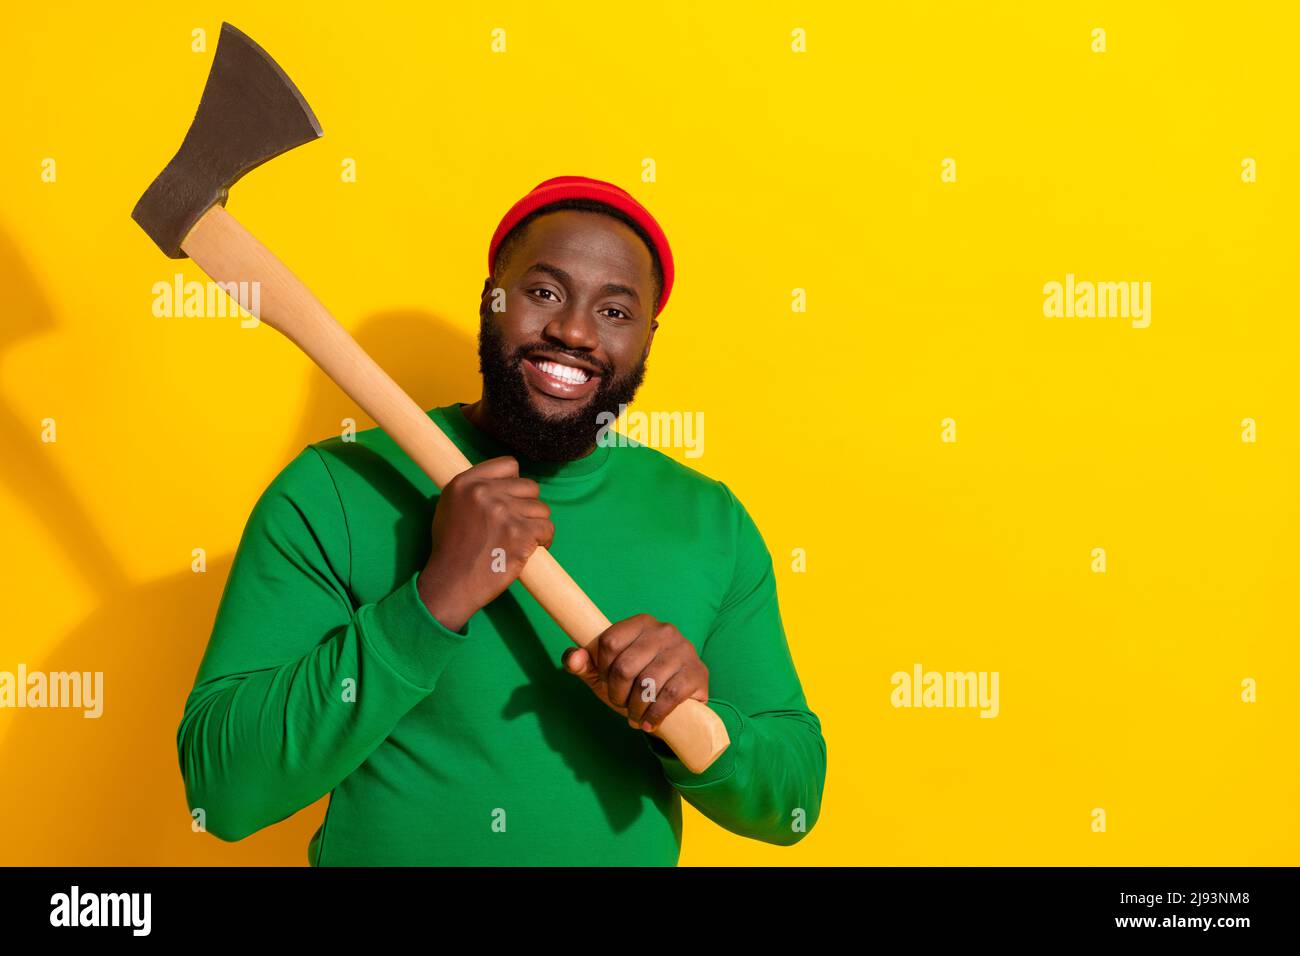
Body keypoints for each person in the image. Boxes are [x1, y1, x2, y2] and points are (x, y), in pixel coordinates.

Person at [177, 175, 827, 865]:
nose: (573, 330)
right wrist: (432, 601)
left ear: (647, 337)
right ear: (490, 297)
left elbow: (792, 805)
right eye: (543, 293)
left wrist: (687, 723)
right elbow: (222, 793)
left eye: (615, 311)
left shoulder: (708, 523)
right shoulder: (333, 491)